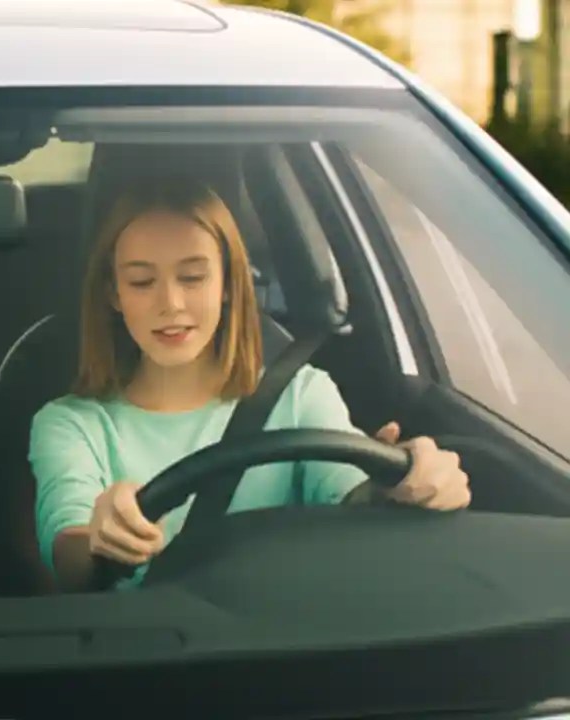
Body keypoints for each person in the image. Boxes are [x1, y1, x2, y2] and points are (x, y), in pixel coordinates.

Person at [29, 177, 471, 593]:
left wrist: (404, 483)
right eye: (142, 281)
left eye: (193, 276)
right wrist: (98, 537)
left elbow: (349, 494)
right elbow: (67, 551)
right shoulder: (71, 423)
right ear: (114, 294)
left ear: (227, 283)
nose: (170, 303)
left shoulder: (300, 395)